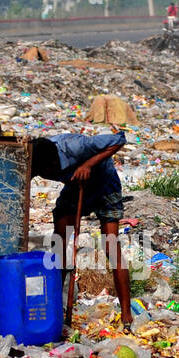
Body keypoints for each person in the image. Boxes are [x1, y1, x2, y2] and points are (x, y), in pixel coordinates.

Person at [29, 130, 132, 327]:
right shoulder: (38, 158)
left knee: (111, 246)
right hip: (76, 186)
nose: (46, 176)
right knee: (58, 243)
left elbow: (119, 138)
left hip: (104, 184)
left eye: (46, 172)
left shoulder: (75, 146)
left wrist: (88, 164)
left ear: (53, 163)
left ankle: (126, 313)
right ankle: (55, 307)